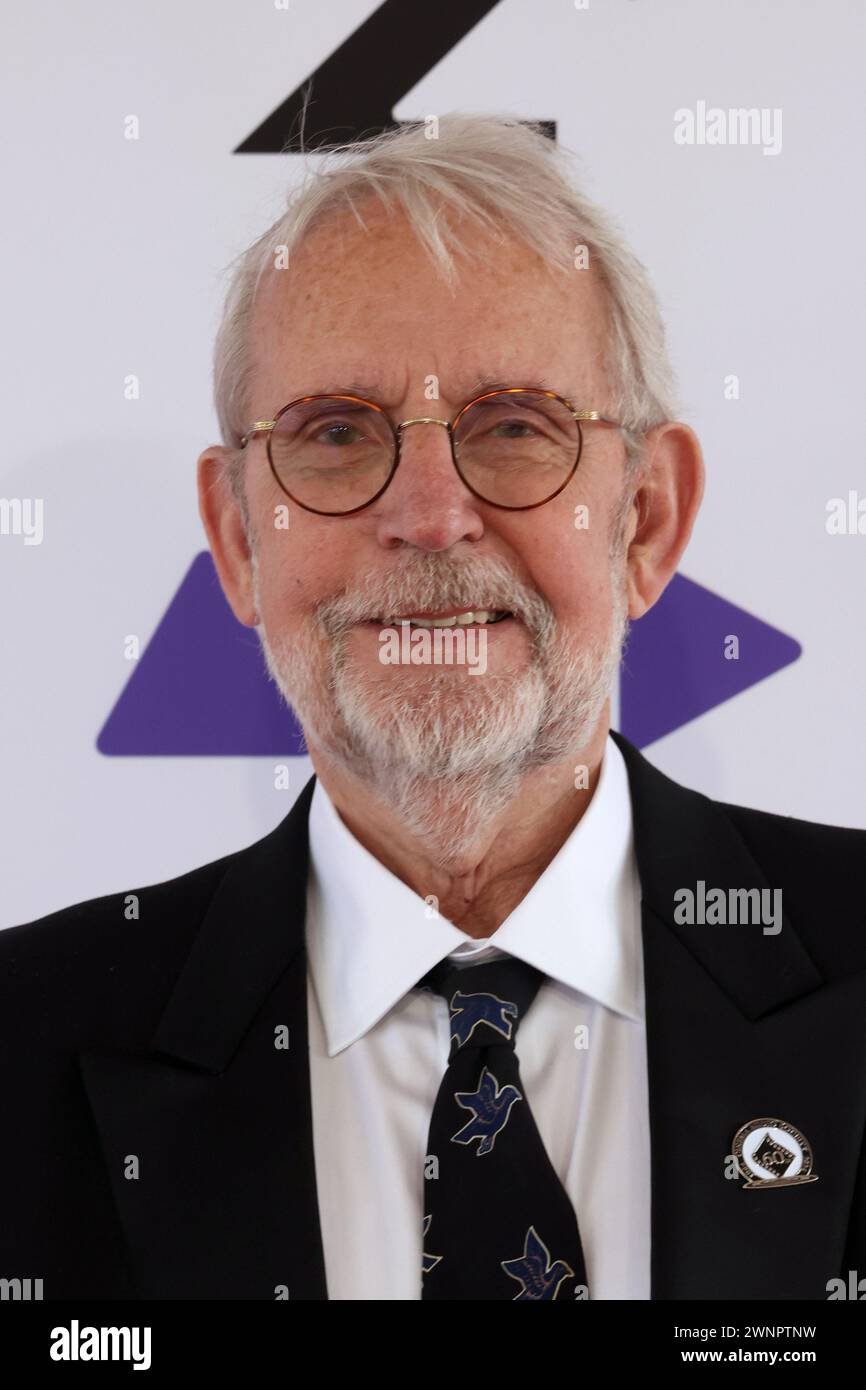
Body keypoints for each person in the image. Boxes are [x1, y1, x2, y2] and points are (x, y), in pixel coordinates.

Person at [2, 114, 864, 1301]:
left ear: (647, 519)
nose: (426, 514)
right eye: (335, 432)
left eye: (514, 427)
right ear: (238, 540)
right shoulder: (22, 1042)